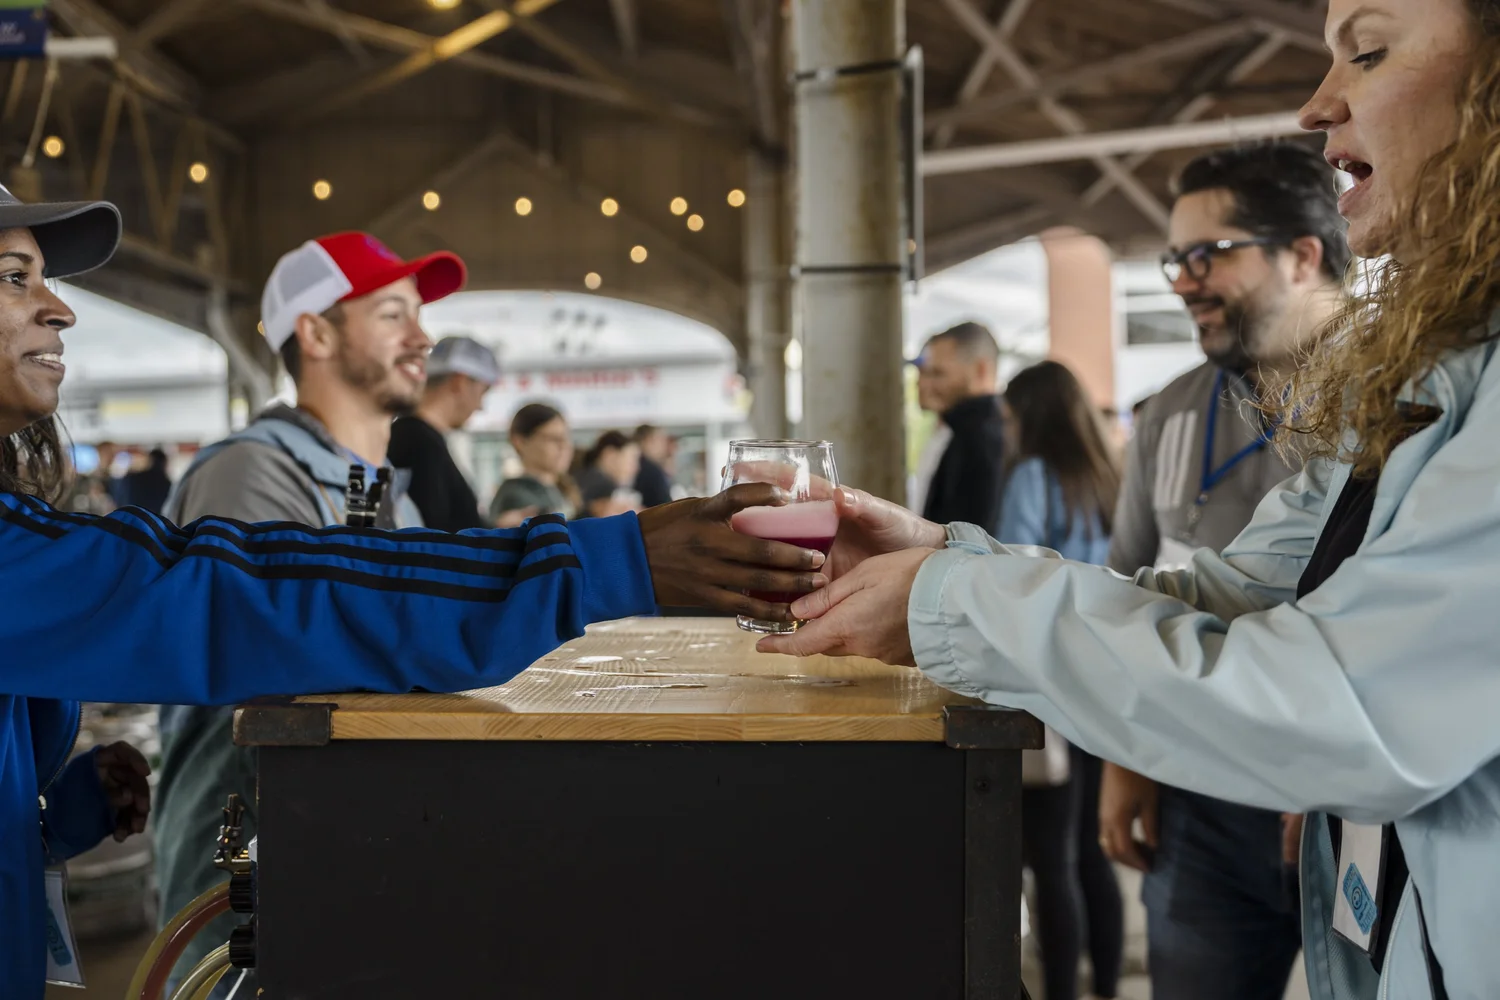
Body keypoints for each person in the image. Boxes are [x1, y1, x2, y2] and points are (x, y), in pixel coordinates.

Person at [762, 1, 1500, 996]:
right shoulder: (1433, 375)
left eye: (1367, 52)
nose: (1319, 101)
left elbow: (1342, 709)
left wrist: (949, 596)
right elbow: (1237, 593)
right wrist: (942, 555)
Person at [71, 230, 815, 1000]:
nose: (422, 337)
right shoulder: (251, 472)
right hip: (250, 866)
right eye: (393, 314)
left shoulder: (384, 484)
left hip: (338, 845)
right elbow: (309, 647)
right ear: (316, 333)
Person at [1097, 141, 1348, 1000]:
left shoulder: (1403, 403)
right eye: (1176, 258)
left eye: (1211, 254)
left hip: (1360, 798)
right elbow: (1130, 581)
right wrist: (1124, 759)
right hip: (1198, 788)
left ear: (1303, 253)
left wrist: (1333, 777)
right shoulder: (1170, 413)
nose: (1183, 280)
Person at [995, 360, 1122, 1000]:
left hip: (1054, 680)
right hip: (1114, 674)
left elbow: (1015, 578)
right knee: (1092, 849)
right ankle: (1105, 983)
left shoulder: (1033, 477)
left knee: (1050, 857)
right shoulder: (1107, 477)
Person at [388, 335, 499, 531]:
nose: (480, 406)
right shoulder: (419, 445)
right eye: (482, 392)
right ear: (460, 382)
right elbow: (431, 535)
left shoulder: (416, 438)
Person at [916, 322, 1006, 529]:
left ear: (980, 370)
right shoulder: (959, 431)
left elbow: (966, 537)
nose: (923, 384)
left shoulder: (981, 440)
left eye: (938, 373)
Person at [491, 402, 577, 524]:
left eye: (566, 438)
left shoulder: (554, 490)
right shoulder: (515, 497)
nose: (564, 446)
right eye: (553, 439)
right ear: (520, 442)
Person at [575, 430, 641, 519]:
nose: (636, 468)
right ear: (610, 455)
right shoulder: (604, 488)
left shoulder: (582, 477)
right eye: (631, 459)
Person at [119, 447, 172, 514]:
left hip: (132, 517)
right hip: (154, 521)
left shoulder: (133, 478)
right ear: (164, 463)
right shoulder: (167, 484)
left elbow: (122, 500)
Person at [633, 423, 675, 508]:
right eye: (660, 440)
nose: (663, 446)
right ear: (648, 441)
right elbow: (666, 506)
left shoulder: (637, 465)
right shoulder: (651, 470)